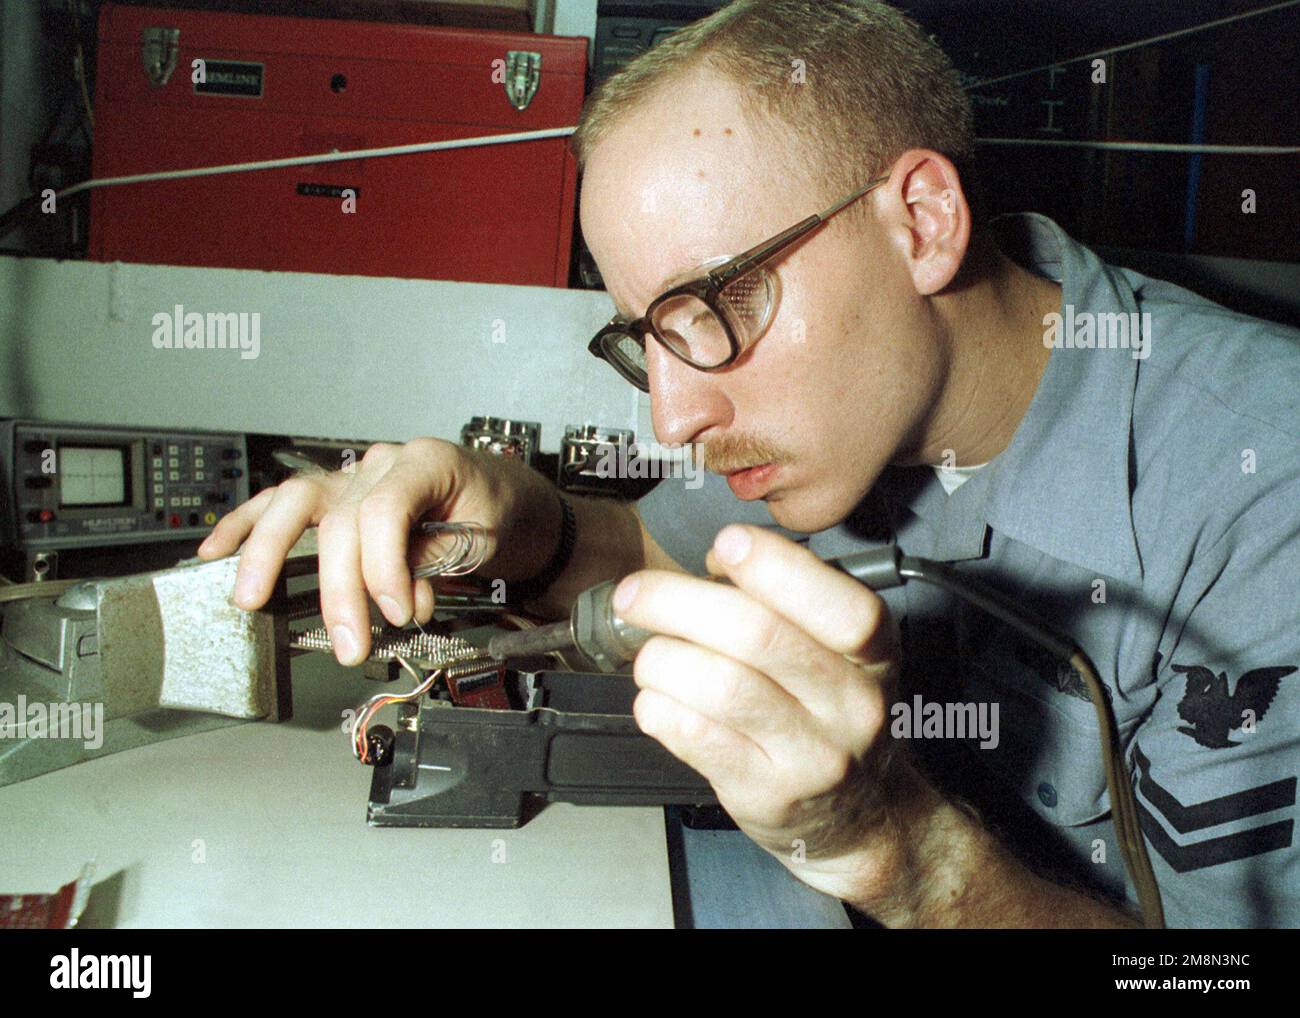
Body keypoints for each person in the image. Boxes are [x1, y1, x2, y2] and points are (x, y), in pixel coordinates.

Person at [199, 0, 1300, 927]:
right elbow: (644, 551)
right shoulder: (850, 413)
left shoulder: (1264, 494)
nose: (673, 416)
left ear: (920, 222)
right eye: (646, 338)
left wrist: (902, 852)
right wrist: (509, 518)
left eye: (719, 304)